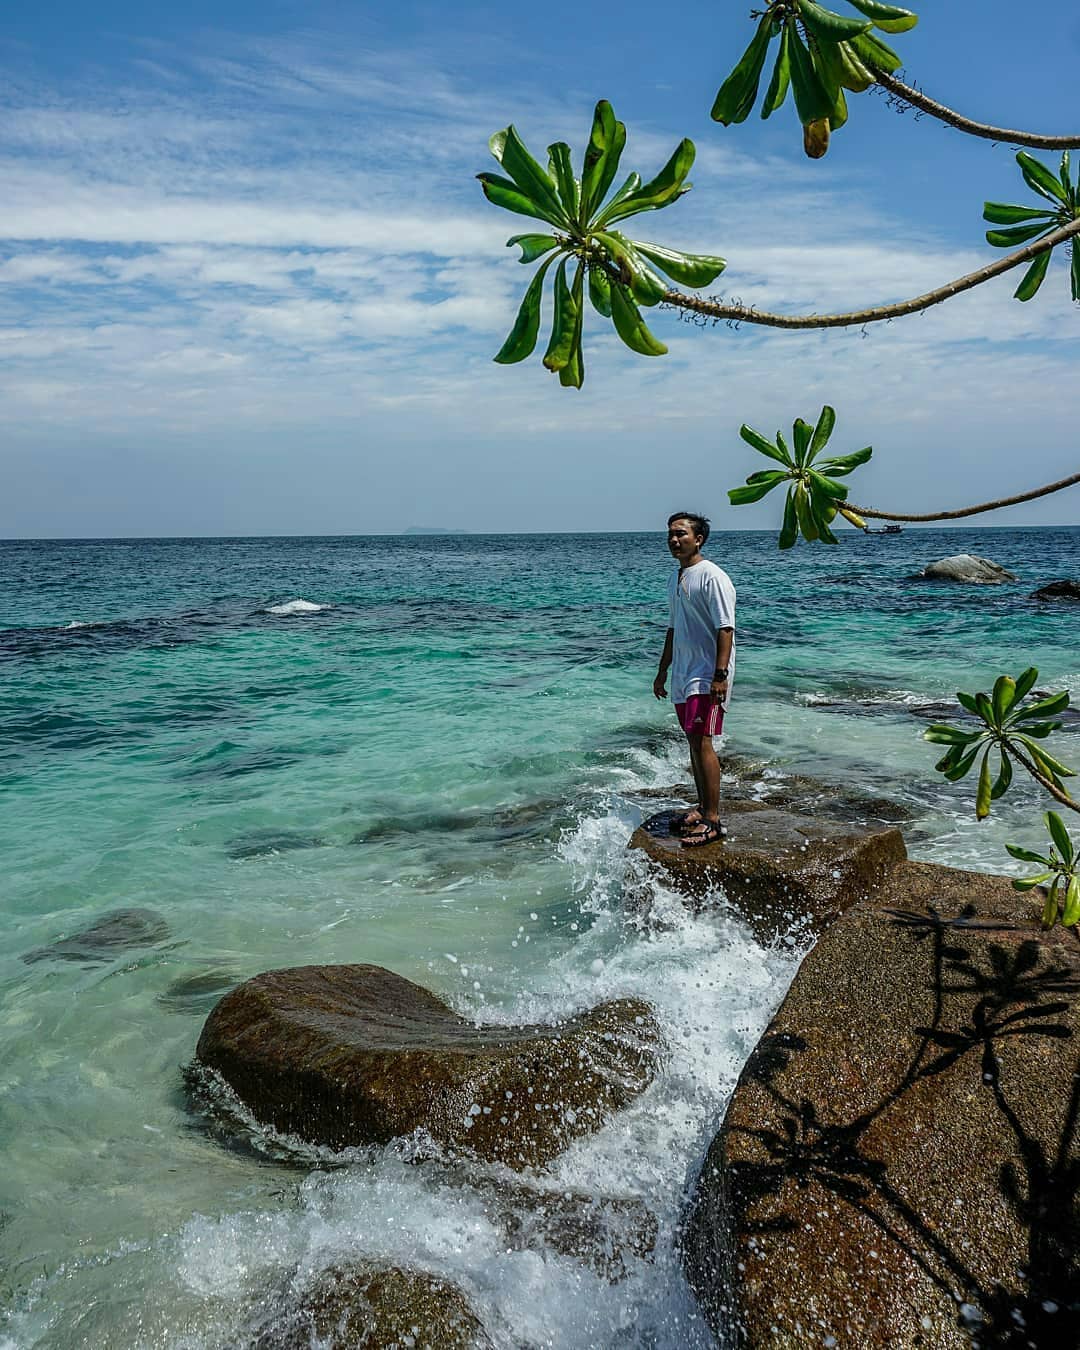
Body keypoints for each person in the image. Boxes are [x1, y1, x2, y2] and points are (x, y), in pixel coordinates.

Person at [652, 512, 736, 847]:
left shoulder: (712, 576)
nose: (674, 540)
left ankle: (713, 820)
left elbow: (725, 628)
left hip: (706, 674)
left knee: (703, 741)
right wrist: (662, 670)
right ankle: (702, 807)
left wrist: (720, 675)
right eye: (670, 534)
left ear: (698, 539)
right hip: (684, 673)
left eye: (681, 534)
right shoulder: (676, 578)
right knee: (691, 740)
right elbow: (673, 629)